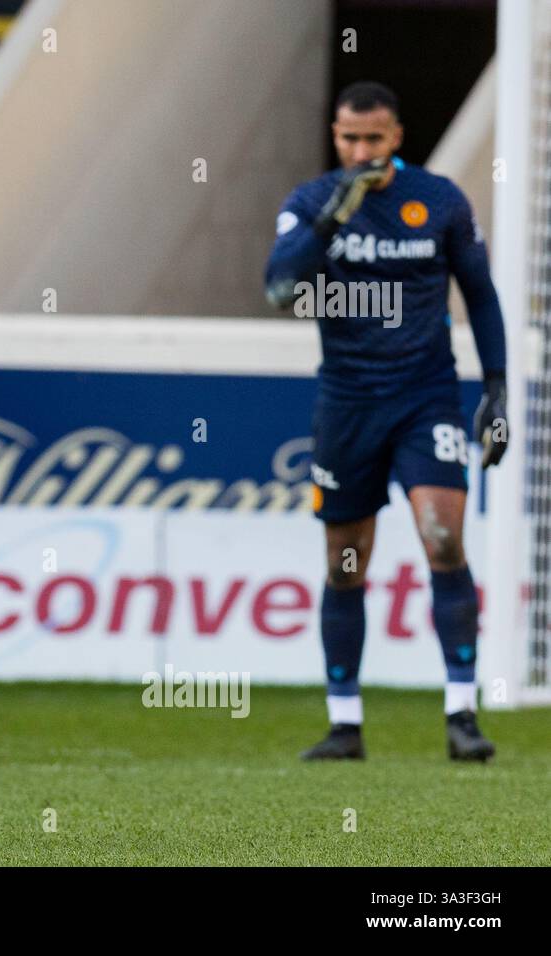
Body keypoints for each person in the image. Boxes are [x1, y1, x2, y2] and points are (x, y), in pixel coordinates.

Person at [265, 81, 507, 762]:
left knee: (442, 538)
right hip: (346, 404)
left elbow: (481, 296)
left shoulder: (439, 201)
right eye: (350, 138)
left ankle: (462, 713)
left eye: (375, 138)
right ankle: (345, 723)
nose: (363, 151)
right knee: (347, 562)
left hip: (425, 397)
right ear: (335, 136)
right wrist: (329, 222)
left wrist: (495, 389)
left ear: (397, 136)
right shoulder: (311, 204)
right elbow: (280, 289)